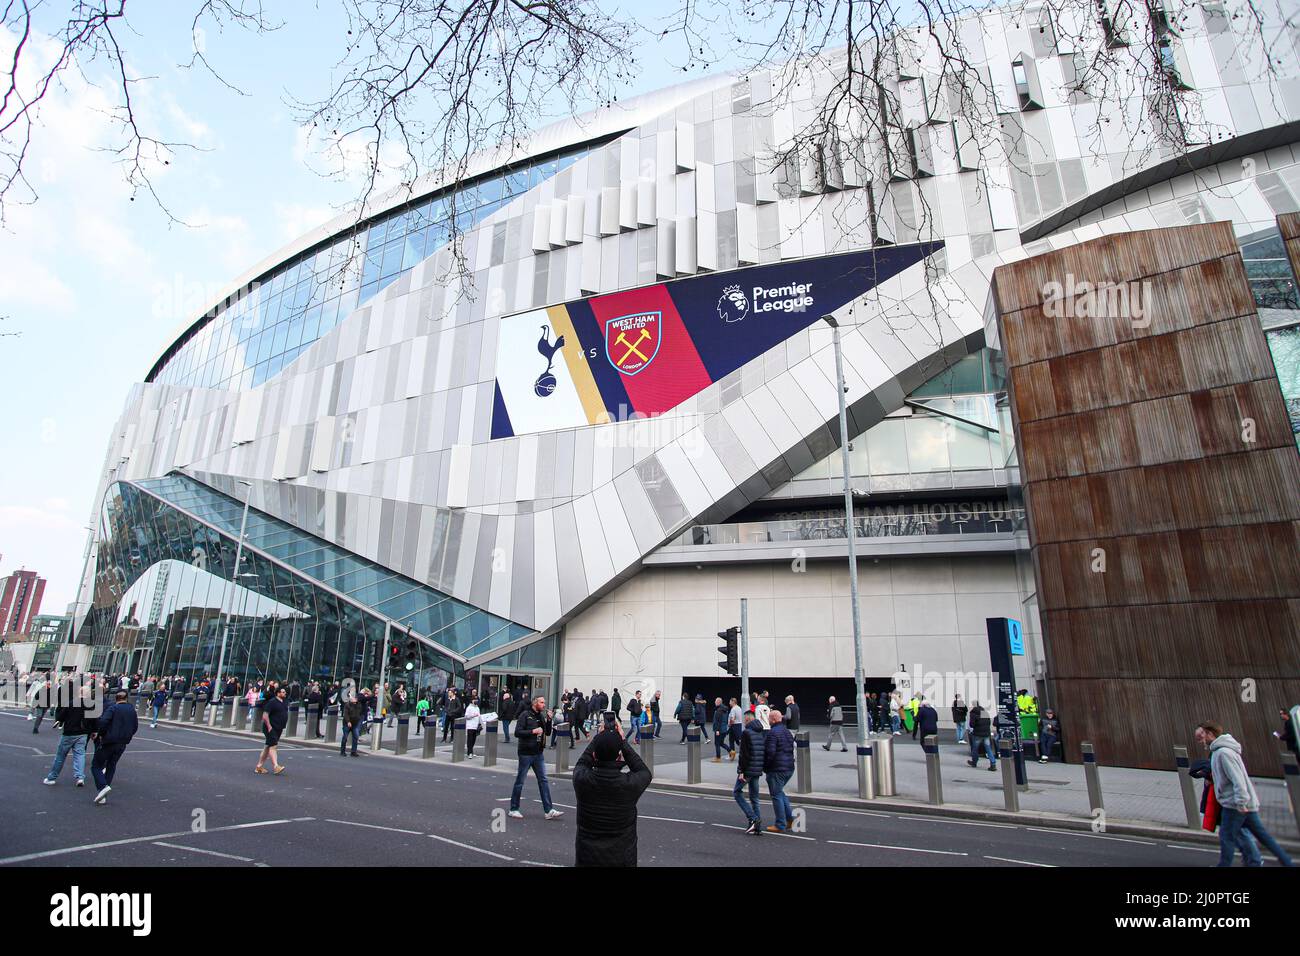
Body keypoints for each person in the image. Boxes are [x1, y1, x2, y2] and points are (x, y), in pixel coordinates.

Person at [1196, 722, 1293, 867]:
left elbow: (1238, 780)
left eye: (1202, 735)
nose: (1201, 739)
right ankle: (1285, 862)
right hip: (1242, 803)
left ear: (1210, 734)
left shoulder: (1223, 753)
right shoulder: (1220, 751)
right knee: (1263, 837)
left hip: (1235, 804)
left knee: (1226, 837)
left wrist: (1241, 802)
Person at [572, 723, 653, 867]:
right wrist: (622, 741)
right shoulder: (628, 784)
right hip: (621, 858)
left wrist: (598, 738)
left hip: (587, 857)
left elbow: (583, 762)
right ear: (619, 756)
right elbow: (643, 771)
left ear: (595, 755)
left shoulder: (582, 780)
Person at [509, 697, 564, 820]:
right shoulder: (525, 715)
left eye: (544, 702)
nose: (544, 705)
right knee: (520, 781)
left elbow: (548, 733)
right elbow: (518, 732)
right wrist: (532, 731)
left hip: (538, 753)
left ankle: (548, 810)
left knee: (543, 780)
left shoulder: (540, 716)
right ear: (535, 703)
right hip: (526, 753)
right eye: (541, 702)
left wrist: (549, 720)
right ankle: (513, 808)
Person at [90, 689, 139, 805]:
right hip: (123, 742)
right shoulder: (132, 710)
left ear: (116, 699)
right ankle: (103, 795)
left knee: (96, 765)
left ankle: (102, 787)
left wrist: (101, 735)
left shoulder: (113, 708)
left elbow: (103, 722)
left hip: (109, 741)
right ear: (126, 698)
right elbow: (135, 726)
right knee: (111, 765)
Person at [44, 682, 93, 788]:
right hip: (83, 733)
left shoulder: (72, 702)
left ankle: (52, 777)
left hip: (69, 732)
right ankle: (80, 777)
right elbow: (94, 720)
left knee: (61, 756)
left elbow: (61, 716)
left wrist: (59, 720)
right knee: (80, 755)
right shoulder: (91, 704)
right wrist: (94, 731)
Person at [763, 710, 796, 833]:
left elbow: (770, 753)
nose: (768, 721)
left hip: (777, 769)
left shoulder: (772, 733)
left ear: (773, 720)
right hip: (789, 767)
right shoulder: (787, 732)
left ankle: (780, 824)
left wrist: (765, 767)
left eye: (769, 719)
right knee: (780, 793)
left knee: (776, 795)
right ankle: (789, 819)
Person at [734, 711, 766, 834]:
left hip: (748, 769)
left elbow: (744, 754)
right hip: (757, 769)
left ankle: (753, 819)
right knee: (754, 798)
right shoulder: (761, 732)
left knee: (737, 792)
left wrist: (741, 771)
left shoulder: (746, 733)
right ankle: (756, 827)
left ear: (747, 720)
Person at [255, 686, 289, 775]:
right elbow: (265, 715)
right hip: (270, 728)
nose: (285, 693)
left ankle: (259, 766)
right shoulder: (272, 702)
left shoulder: (284, 702)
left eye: (285, 692)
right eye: (283, 692)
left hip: (279, 728)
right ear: (278, 693)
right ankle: (276, 766)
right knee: (273, 745)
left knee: (267, 746)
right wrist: (269, 726)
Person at [966, 701, 997, 770]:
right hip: (986, 733)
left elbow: (971, 724)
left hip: (977, 734)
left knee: (975, 748)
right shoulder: (985, 712)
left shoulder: (973, 713)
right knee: (988, 749)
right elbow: (989, 722)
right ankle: (993, 763)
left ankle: (974, 762)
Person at [711, 697, 731, 761]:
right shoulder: (725, 709)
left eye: (715, 701)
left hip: (719, 730)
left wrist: (717, 730)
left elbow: (718, 721)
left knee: (717, 743)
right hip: (724, 729)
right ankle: (731, 751)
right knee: (721, 743)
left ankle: (718, 757)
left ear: (718, 702)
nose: (714, 702)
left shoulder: (719, 710)